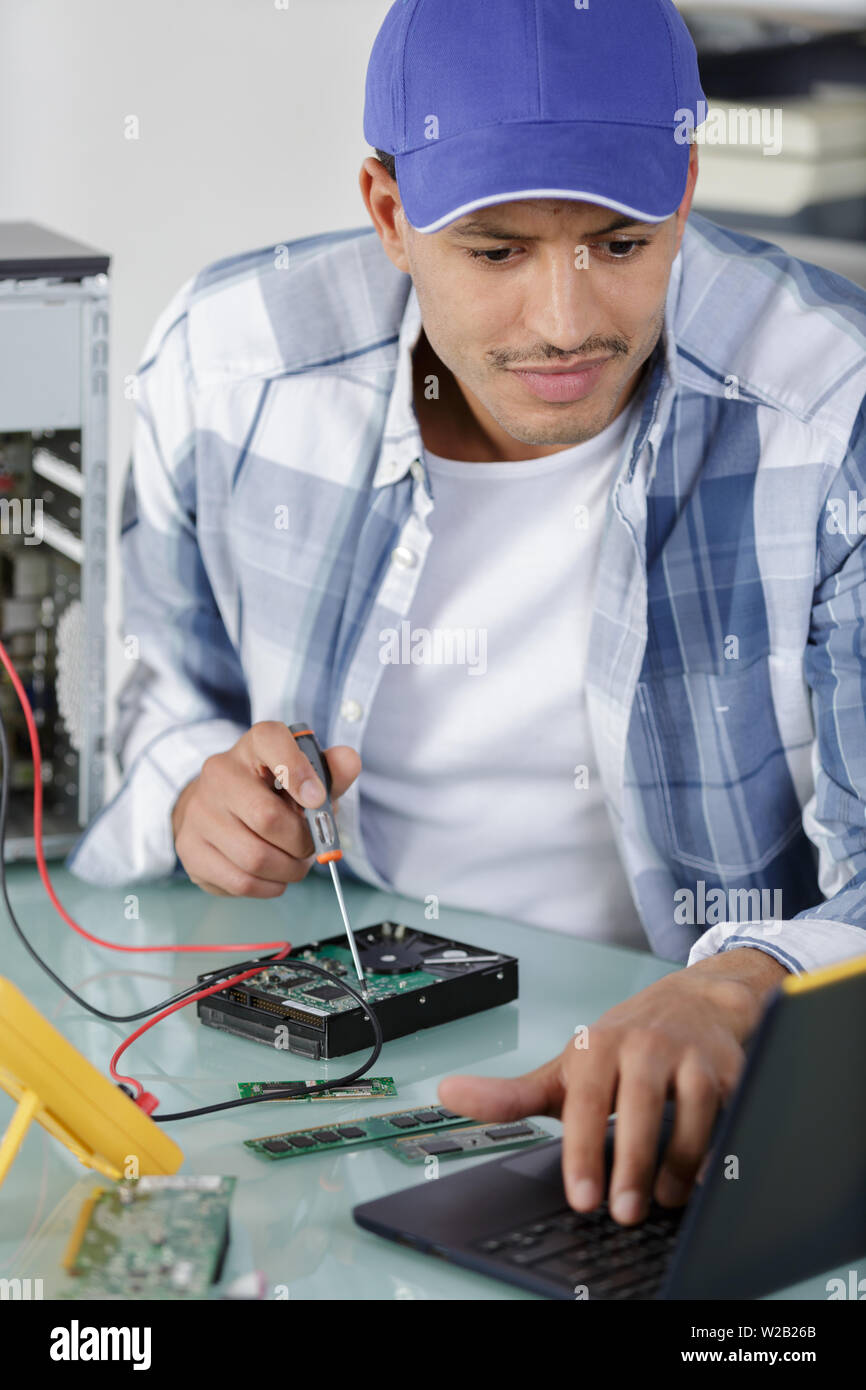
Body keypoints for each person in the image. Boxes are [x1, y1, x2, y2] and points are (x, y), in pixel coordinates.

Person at [68, 0, 866, 1227]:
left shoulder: (832, 406)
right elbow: (158, 697)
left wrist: (744, 981)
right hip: (346, 1075)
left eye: (620, 241)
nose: (564, 320)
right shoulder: (225, 369)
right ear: (388, 212)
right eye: (495, 252)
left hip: (703, 1091)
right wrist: (194, 788)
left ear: (688, 182)